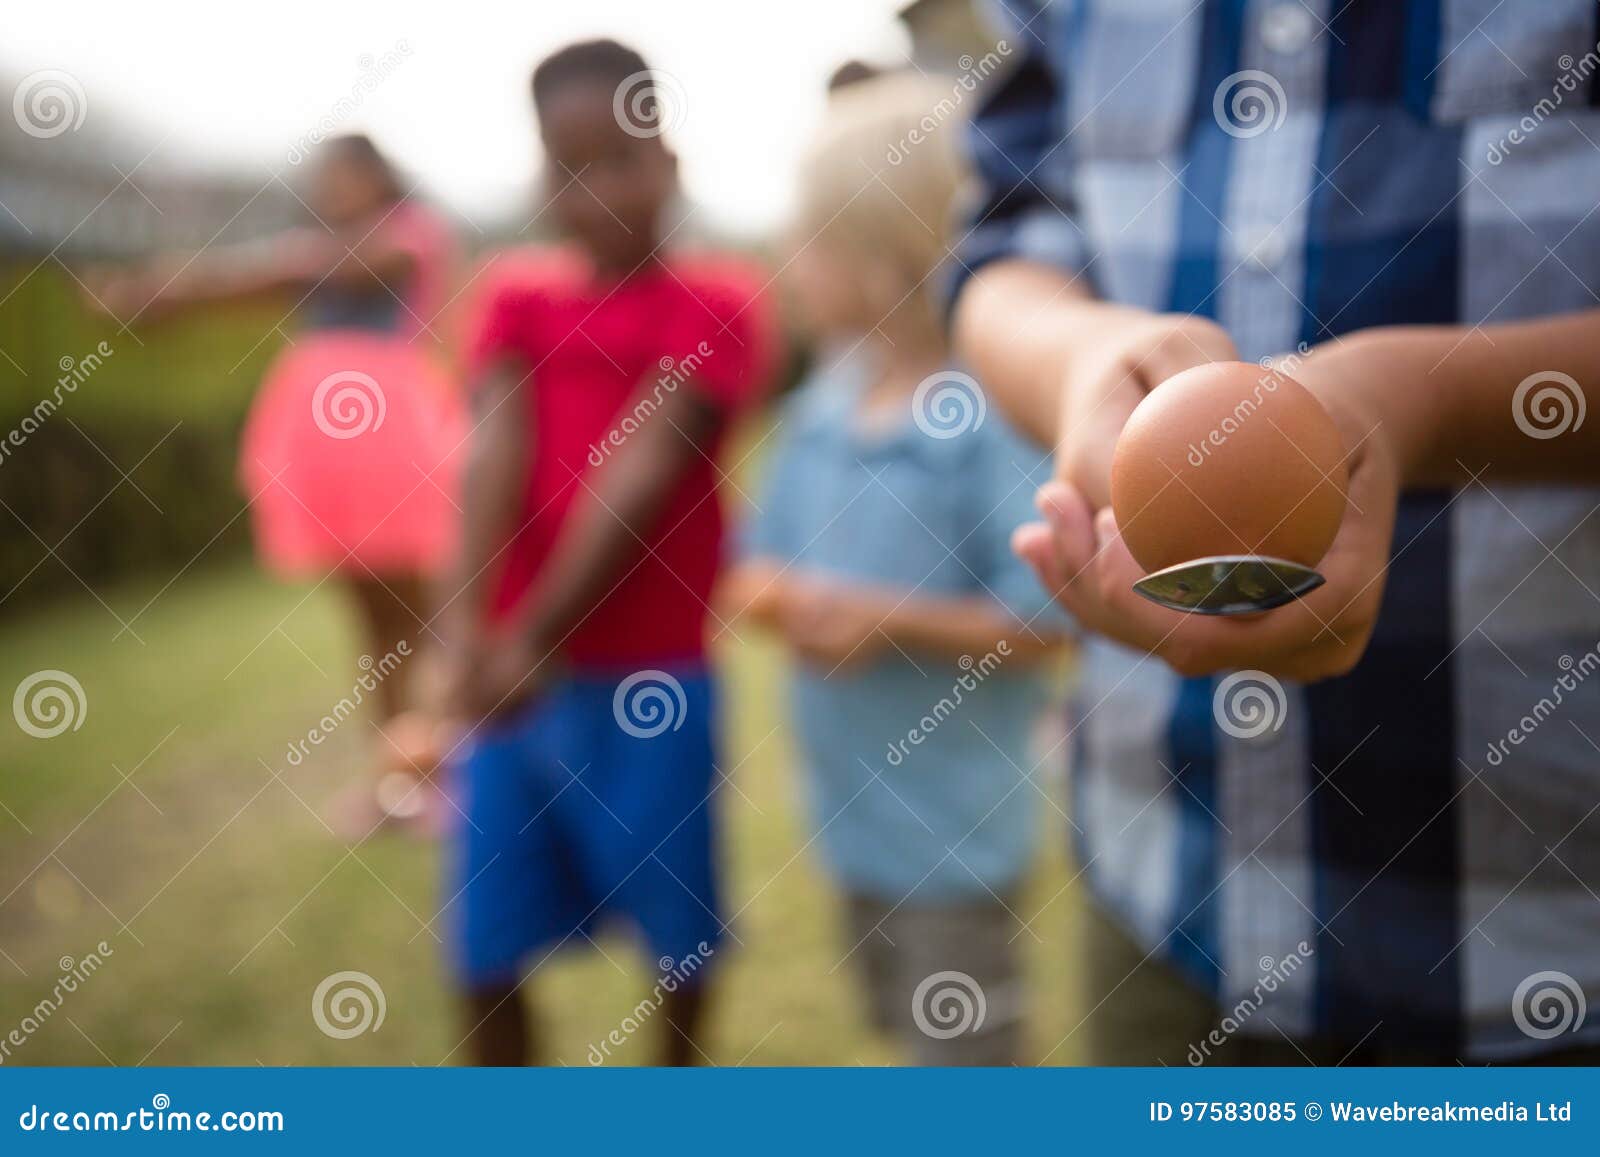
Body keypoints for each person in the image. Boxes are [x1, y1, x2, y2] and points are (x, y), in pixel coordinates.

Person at [951, 0, 1600, 1064]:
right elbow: (1005, 246)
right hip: (1168, 901)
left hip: (1550, 931)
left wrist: (1418, 401)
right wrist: (1077, 361)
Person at [440, 39, 776, 1066]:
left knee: (676, 935)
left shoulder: (717, 304)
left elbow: (640, 473)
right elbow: (488, 456)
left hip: (651, 676)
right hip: (509, 678)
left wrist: (529, 633)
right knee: (482, 942)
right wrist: (465, 640)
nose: (590, 191)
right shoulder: (511, 299)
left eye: (616, 159)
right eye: (563, 163)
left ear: (668, 163)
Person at [725, 73, 1071, 1065]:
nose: (787, 260)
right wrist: (782, 601)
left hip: (955, 842)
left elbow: (1043, 622)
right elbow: (755, 567)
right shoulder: (822, 404)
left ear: (885, 256)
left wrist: (884, 621)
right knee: (902, 1033)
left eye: (811, 236)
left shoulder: (987, 418)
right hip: (851, 827)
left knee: (964, 1061)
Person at [84, 134, 463, 836]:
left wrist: (183, 286)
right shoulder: (319, 251)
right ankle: (401, 783)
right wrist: (162, 298)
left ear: (381, 177)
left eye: (348, 175)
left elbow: (317, 270)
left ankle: (461, 766)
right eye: (328, 177)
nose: (335, 188)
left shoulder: (405, 238)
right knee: (376, 623)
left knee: (430, 614)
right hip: (328, 439)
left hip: (389, 434)